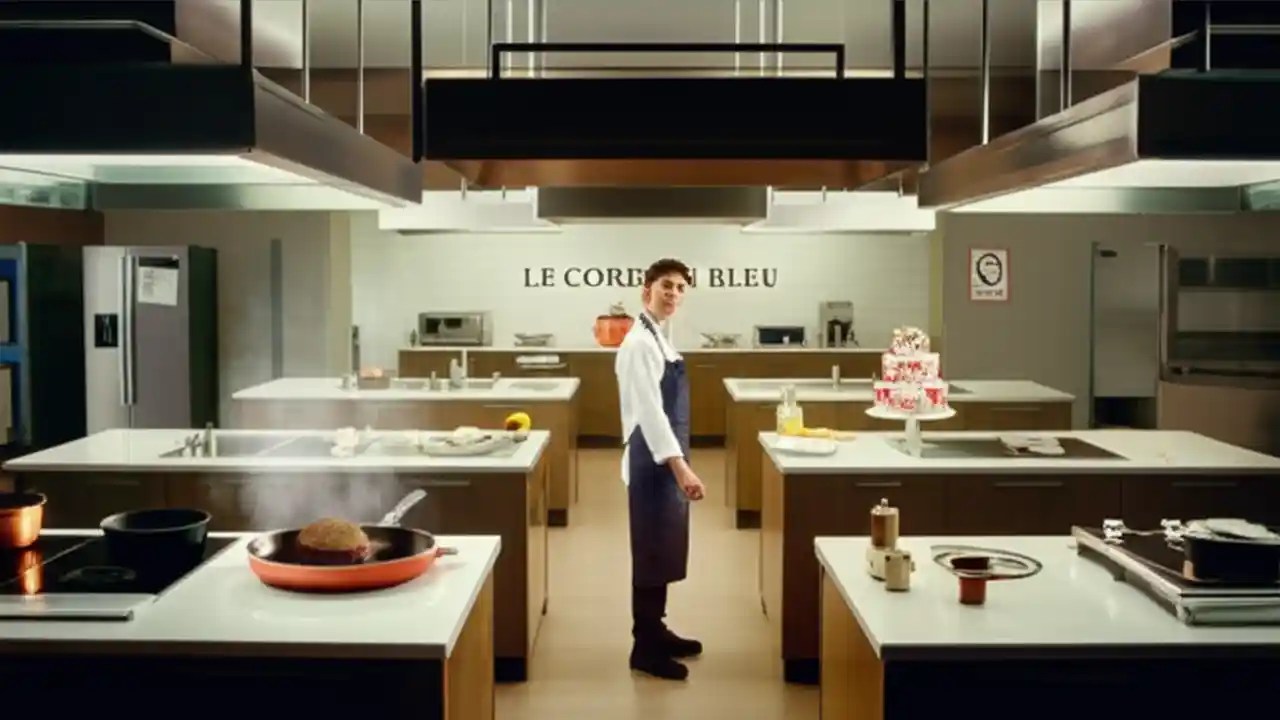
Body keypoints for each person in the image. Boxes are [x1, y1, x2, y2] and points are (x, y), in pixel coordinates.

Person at [615, 257, 707, 681]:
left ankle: (656, 630)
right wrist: (681, 468)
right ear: (646, 289)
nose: (673, 294)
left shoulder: (659, 339)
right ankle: (644, 648)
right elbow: (651, 414)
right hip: (653, 461)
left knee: (664, 547)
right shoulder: (638, 344)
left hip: (665, 461)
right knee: (652, 551)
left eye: (680, 288)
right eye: (666, 285)